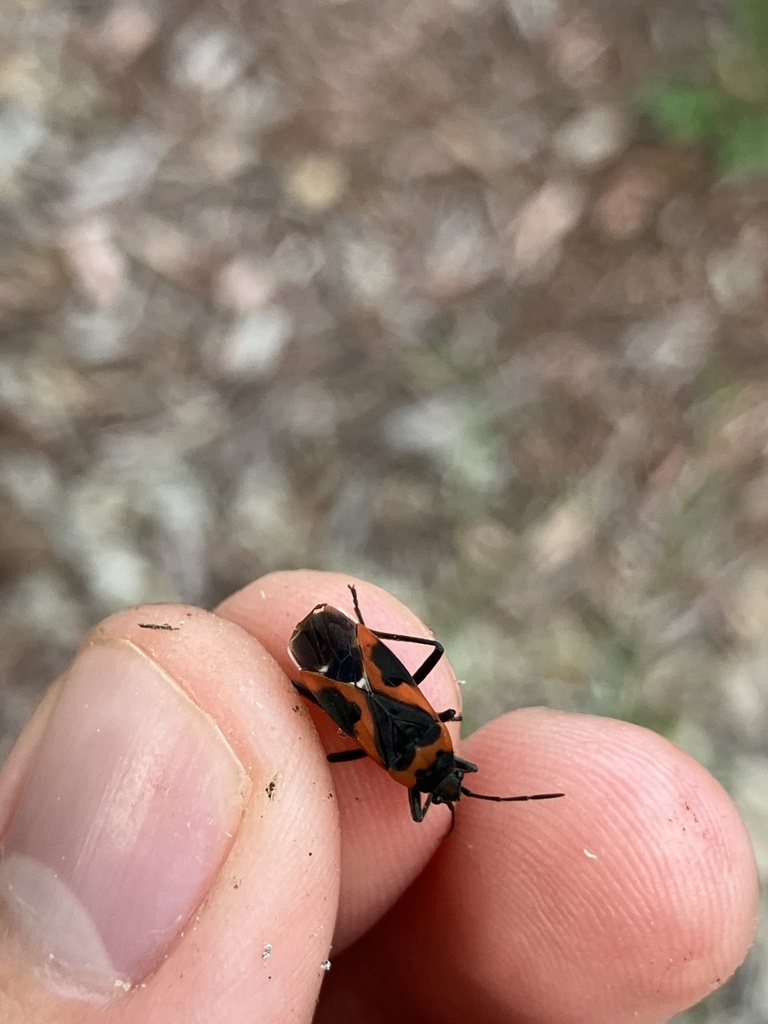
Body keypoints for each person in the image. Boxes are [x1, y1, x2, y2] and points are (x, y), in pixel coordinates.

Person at [0, 571, 757, 1024]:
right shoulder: (411, 776)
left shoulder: (438, 740)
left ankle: (339, 651)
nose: (453, 788)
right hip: (346, 678)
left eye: (448, 790)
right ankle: (323, 670)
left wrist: (356, 654)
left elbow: (402, 703)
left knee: (412, 685)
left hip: (357, 655)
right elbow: (366, 738)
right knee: (355, 722)